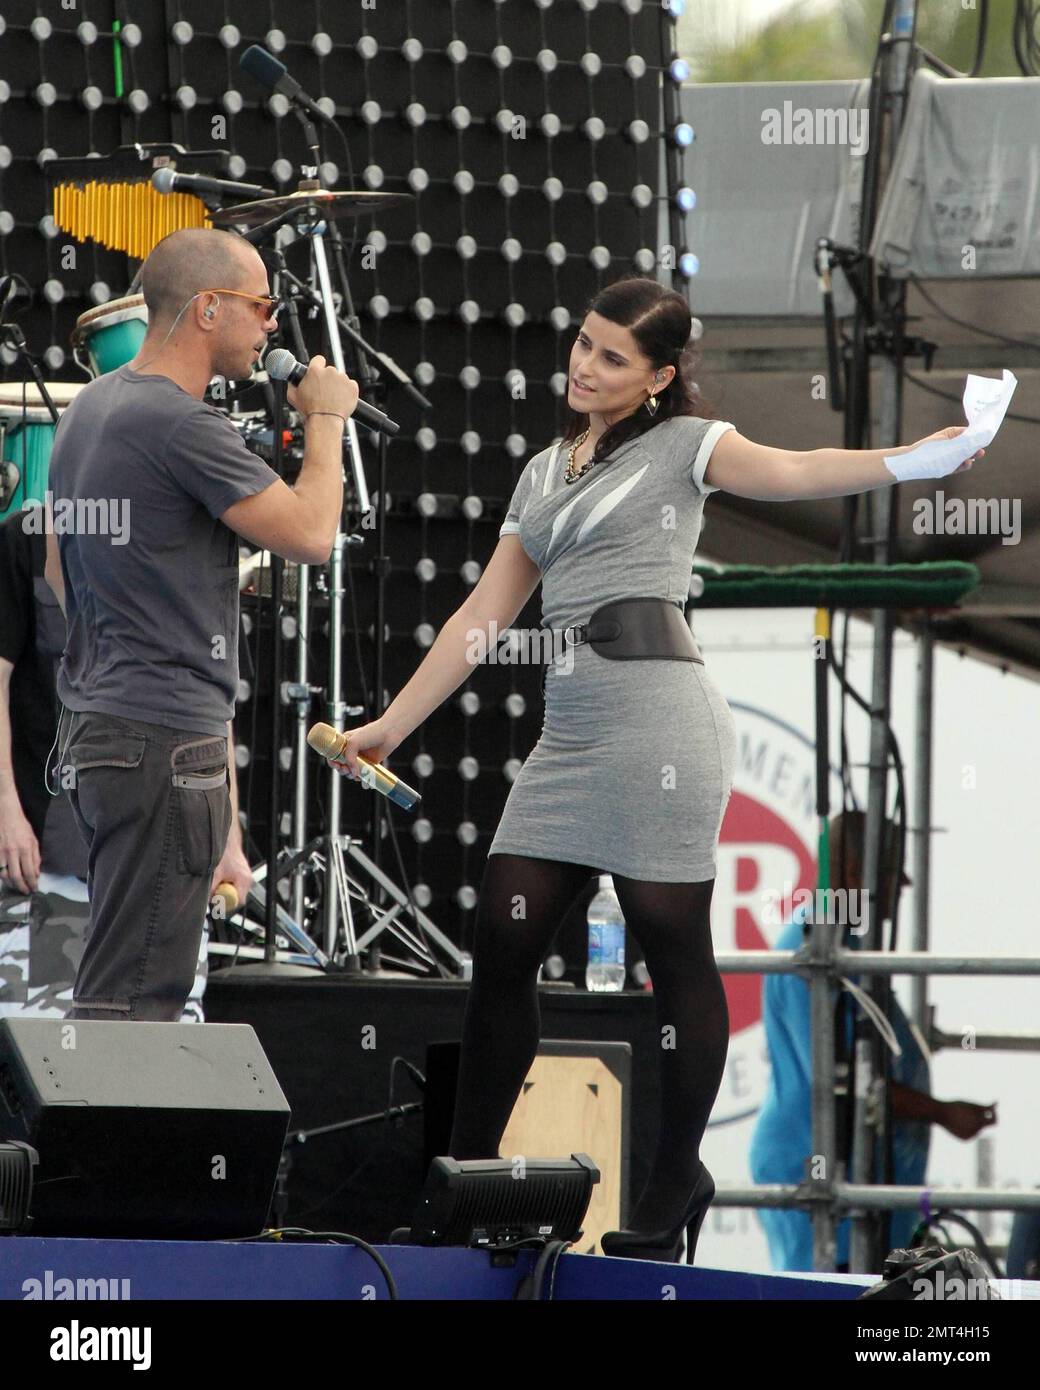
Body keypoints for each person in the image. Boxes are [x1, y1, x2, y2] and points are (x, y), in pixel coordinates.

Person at [322, 273, 987, 1261]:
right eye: (582, 345)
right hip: (574, 723)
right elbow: (480, 618)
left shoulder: (688, 447)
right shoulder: (544, 469)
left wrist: (915, 458)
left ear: (658, 378)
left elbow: (797, 469)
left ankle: (674, 1178)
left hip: (658, 721)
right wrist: (391, 726)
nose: (583, 367)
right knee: (500, 948)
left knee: (671, 949)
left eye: (610, 358)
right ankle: (462, 1177)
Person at [42, 227, 358, 1021]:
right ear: (210, 309)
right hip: (158, 740)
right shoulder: (183, 426)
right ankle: (107, 1147)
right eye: (261, 307)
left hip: (102, 726)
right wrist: (326, 421)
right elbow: (314, 534)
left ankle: (99, 1141)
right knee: (140, 995)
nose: (273, 325)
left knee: (117, 982)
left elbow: (55, 569)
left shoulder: (91, 409)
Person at [0, 509, 234, 1021]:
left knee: (163, 1060)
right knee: (43, 1058)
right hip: (50, 855)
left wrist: (228, 835)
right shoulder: (29, 538)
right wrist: (6, 811)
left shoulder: (192, 539)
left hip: (168, 846)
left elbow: (213, 706)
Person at [750, 810, 997, 1271]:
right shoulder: (815, 950)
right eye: (889, 869)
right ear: (852, 873)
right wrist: (942, 1112)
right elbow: (842, 1081)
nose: (902, 884)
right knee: (829, 1289)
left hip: (853, 1176)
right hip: (819, 1167)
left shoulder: (848, 945)